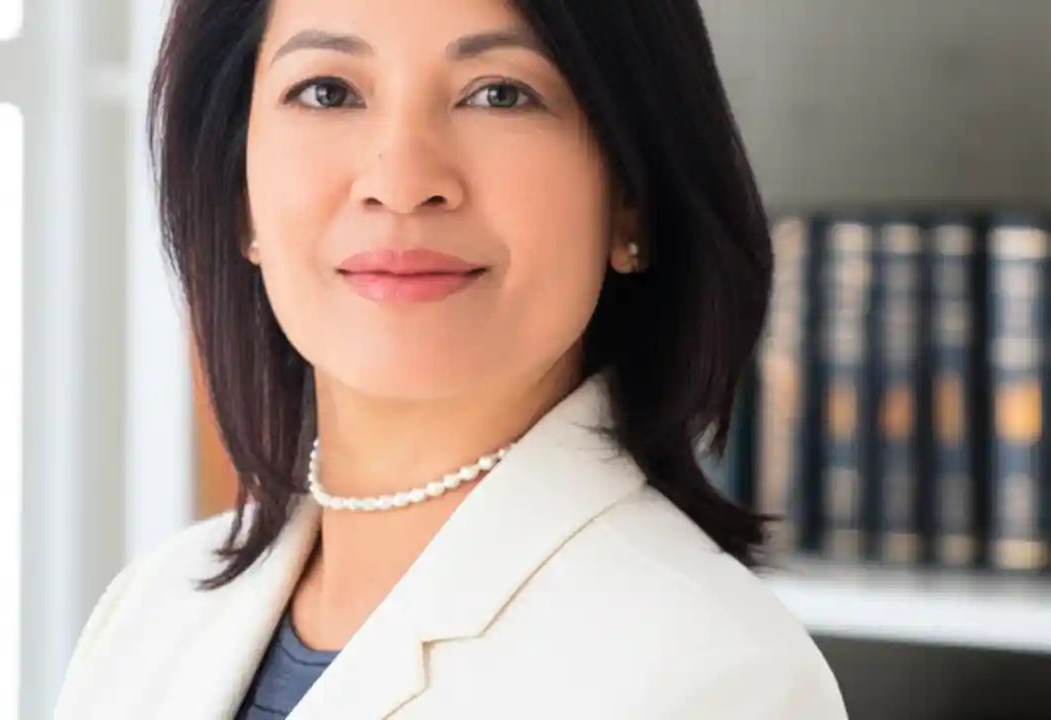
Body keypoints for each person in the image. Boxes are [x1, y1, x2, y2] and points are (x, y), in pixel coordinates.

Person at [54, 0, 848, 717]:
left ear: (630, 199)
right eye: (328, 91)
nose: (402, 182)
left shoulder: (718, 679)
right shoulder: (149, 613)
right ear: (239, 197)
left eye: (499, 92)